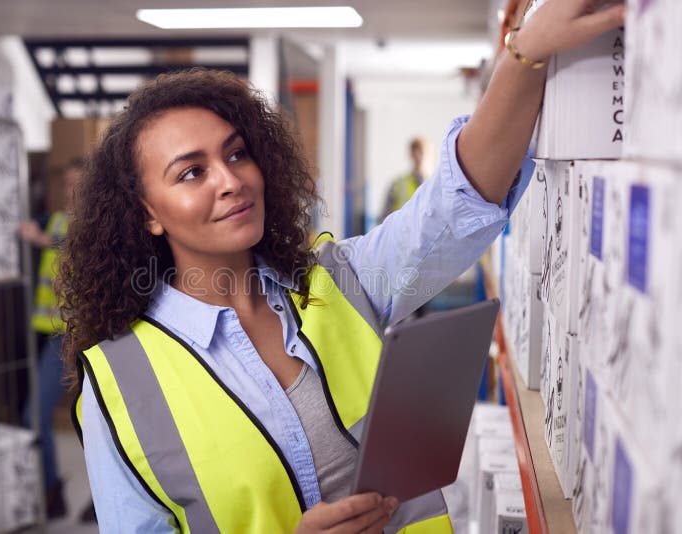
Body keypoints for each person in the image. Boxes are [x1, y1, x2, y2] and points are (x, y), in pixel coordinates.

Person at [57, 1, 624, 531]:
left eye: (236, 153)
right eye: (191, 173)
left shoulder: (343, 281)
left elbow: (456, 202)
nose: (230, 181)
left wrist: (525, 56)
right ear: (148, 213)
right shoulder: (118, 388)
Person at [19, 159, 97, 521]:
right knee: (34, 415)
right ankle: (53, 492)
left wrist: (45, 239)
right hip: (54, 339)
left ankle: (105, 498)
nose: (71, 191)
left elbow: (78, 241)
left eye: (79, 183)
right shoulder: (54, 220)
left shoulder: (99, 223)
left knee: (101, 422)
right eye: (67, 183)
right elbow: (38, 230)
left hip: (89, 339)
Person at [379, 137, 428, 222]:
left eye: (422, 153)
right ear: (411, 155)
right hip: (401, 234)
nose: (419, 157)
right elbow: (384, 219)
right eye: (416, 153)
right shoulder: (397, 184)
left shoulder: (433, 185)